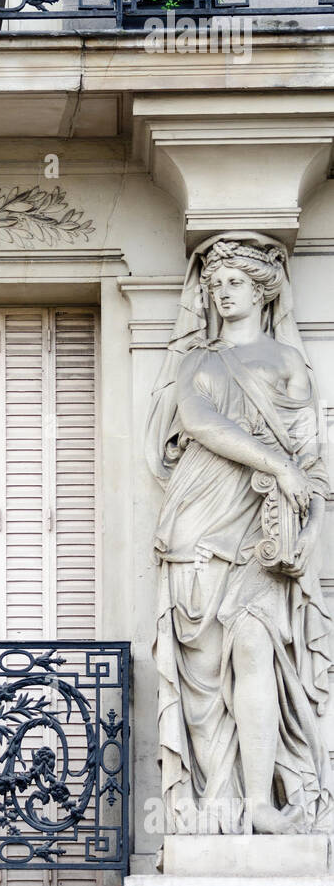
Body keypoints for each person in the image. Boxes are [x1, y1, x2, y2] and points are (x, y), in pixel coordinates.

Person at [145, 233, 333, 835]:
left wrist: (309, 530)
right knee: (203, 683)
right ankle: (211, 807)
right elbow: (199, 423)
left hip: (263, 531)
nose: (223, 293)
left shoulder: (286, 364)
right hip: (198, 526)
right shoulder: (197, 361)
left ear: (262, 290)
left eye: (236, 284)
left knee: (254, 648)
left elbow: (313, 463)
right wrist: (276, 465)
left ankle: (259, 805)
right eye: (216, 284)